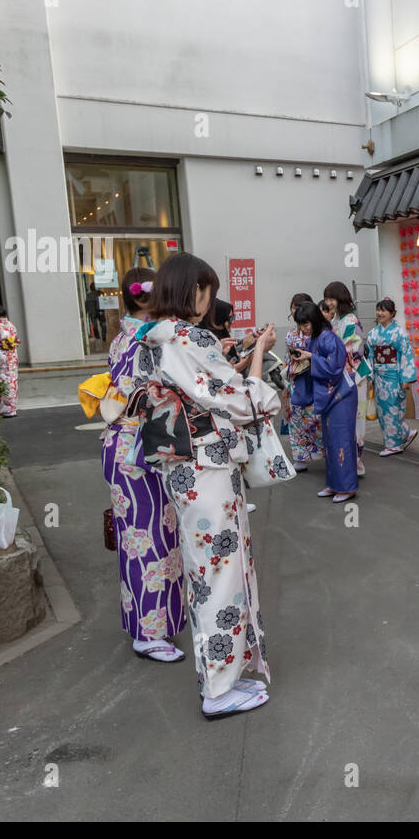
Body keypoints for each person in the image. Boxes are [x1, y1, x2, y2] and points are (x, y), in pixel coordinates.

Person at [134, 253, 281, 719]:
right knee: (218, 572)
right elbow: (231, 396)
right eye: (206, 290)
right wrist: (267, 393)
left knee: (208, 569)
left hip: (182, 465)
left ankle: (224, 677)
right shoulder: (187, 338)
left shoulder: (150, 339)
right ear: (190, 289)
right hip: (206, 467)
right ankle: (218, 689)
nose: (208, 300)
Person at [101, 267, 185, 662]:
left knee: (153, 536)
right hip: (136, 446)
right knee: (146, 539)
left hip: (131, 444)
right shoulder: (145, 338)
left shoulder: (124, 337)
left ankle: (155, 625)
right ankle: (148, 634)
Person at [291, 301, 357, 502]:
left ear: (315, 320)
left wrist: (310, 357)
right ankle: (334, 483)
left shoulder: (329, 338)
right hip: (332, 395)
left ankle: (347, 487)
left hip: (341, 395)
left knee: (341, 441)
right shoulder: (318, 337)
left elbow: (335, 368)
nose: (303, 329)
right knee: (330, 441)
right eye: (300, 325)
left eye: (306, 324)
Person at [321, 282, 371, 477]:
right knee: (345, 420)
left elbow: (353, 349)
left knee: (356, 420)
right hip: (343, 376)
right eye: (326, 299)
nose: (328, 303)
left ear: (341, 299)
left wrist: (330, 358)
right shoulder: (337, 322)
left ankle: (356, 462)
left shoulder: (349, 320)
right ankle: (348, 461)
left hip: (355, 377)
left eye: (331, 299)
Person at [366, 297, 419, 456]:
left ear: (392, 313)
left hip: (394, 375)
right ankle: (405, 433)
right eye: (378, 309)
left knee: (393, 409)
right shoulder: (373, 333)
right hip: (379, 375)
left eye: (383, 310)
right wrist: (369, 377)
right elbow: (369, 356)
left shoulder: (399, 333)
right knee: (383, 411)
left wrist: (405, 379)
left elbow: (405, 356)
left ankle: (394, 444)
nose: (380, 313)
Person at [281, 292, 323, 470]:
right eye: (292, 306)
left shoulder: (319, 332)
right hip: (296, 379)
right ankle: (300, 456)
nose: (294, 309)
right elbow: (288, 357)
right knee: (297, 418)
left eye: (297, 306)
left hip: (315, 376)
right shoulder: (292, 334)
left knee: (317, 418)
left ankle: (325, 451)